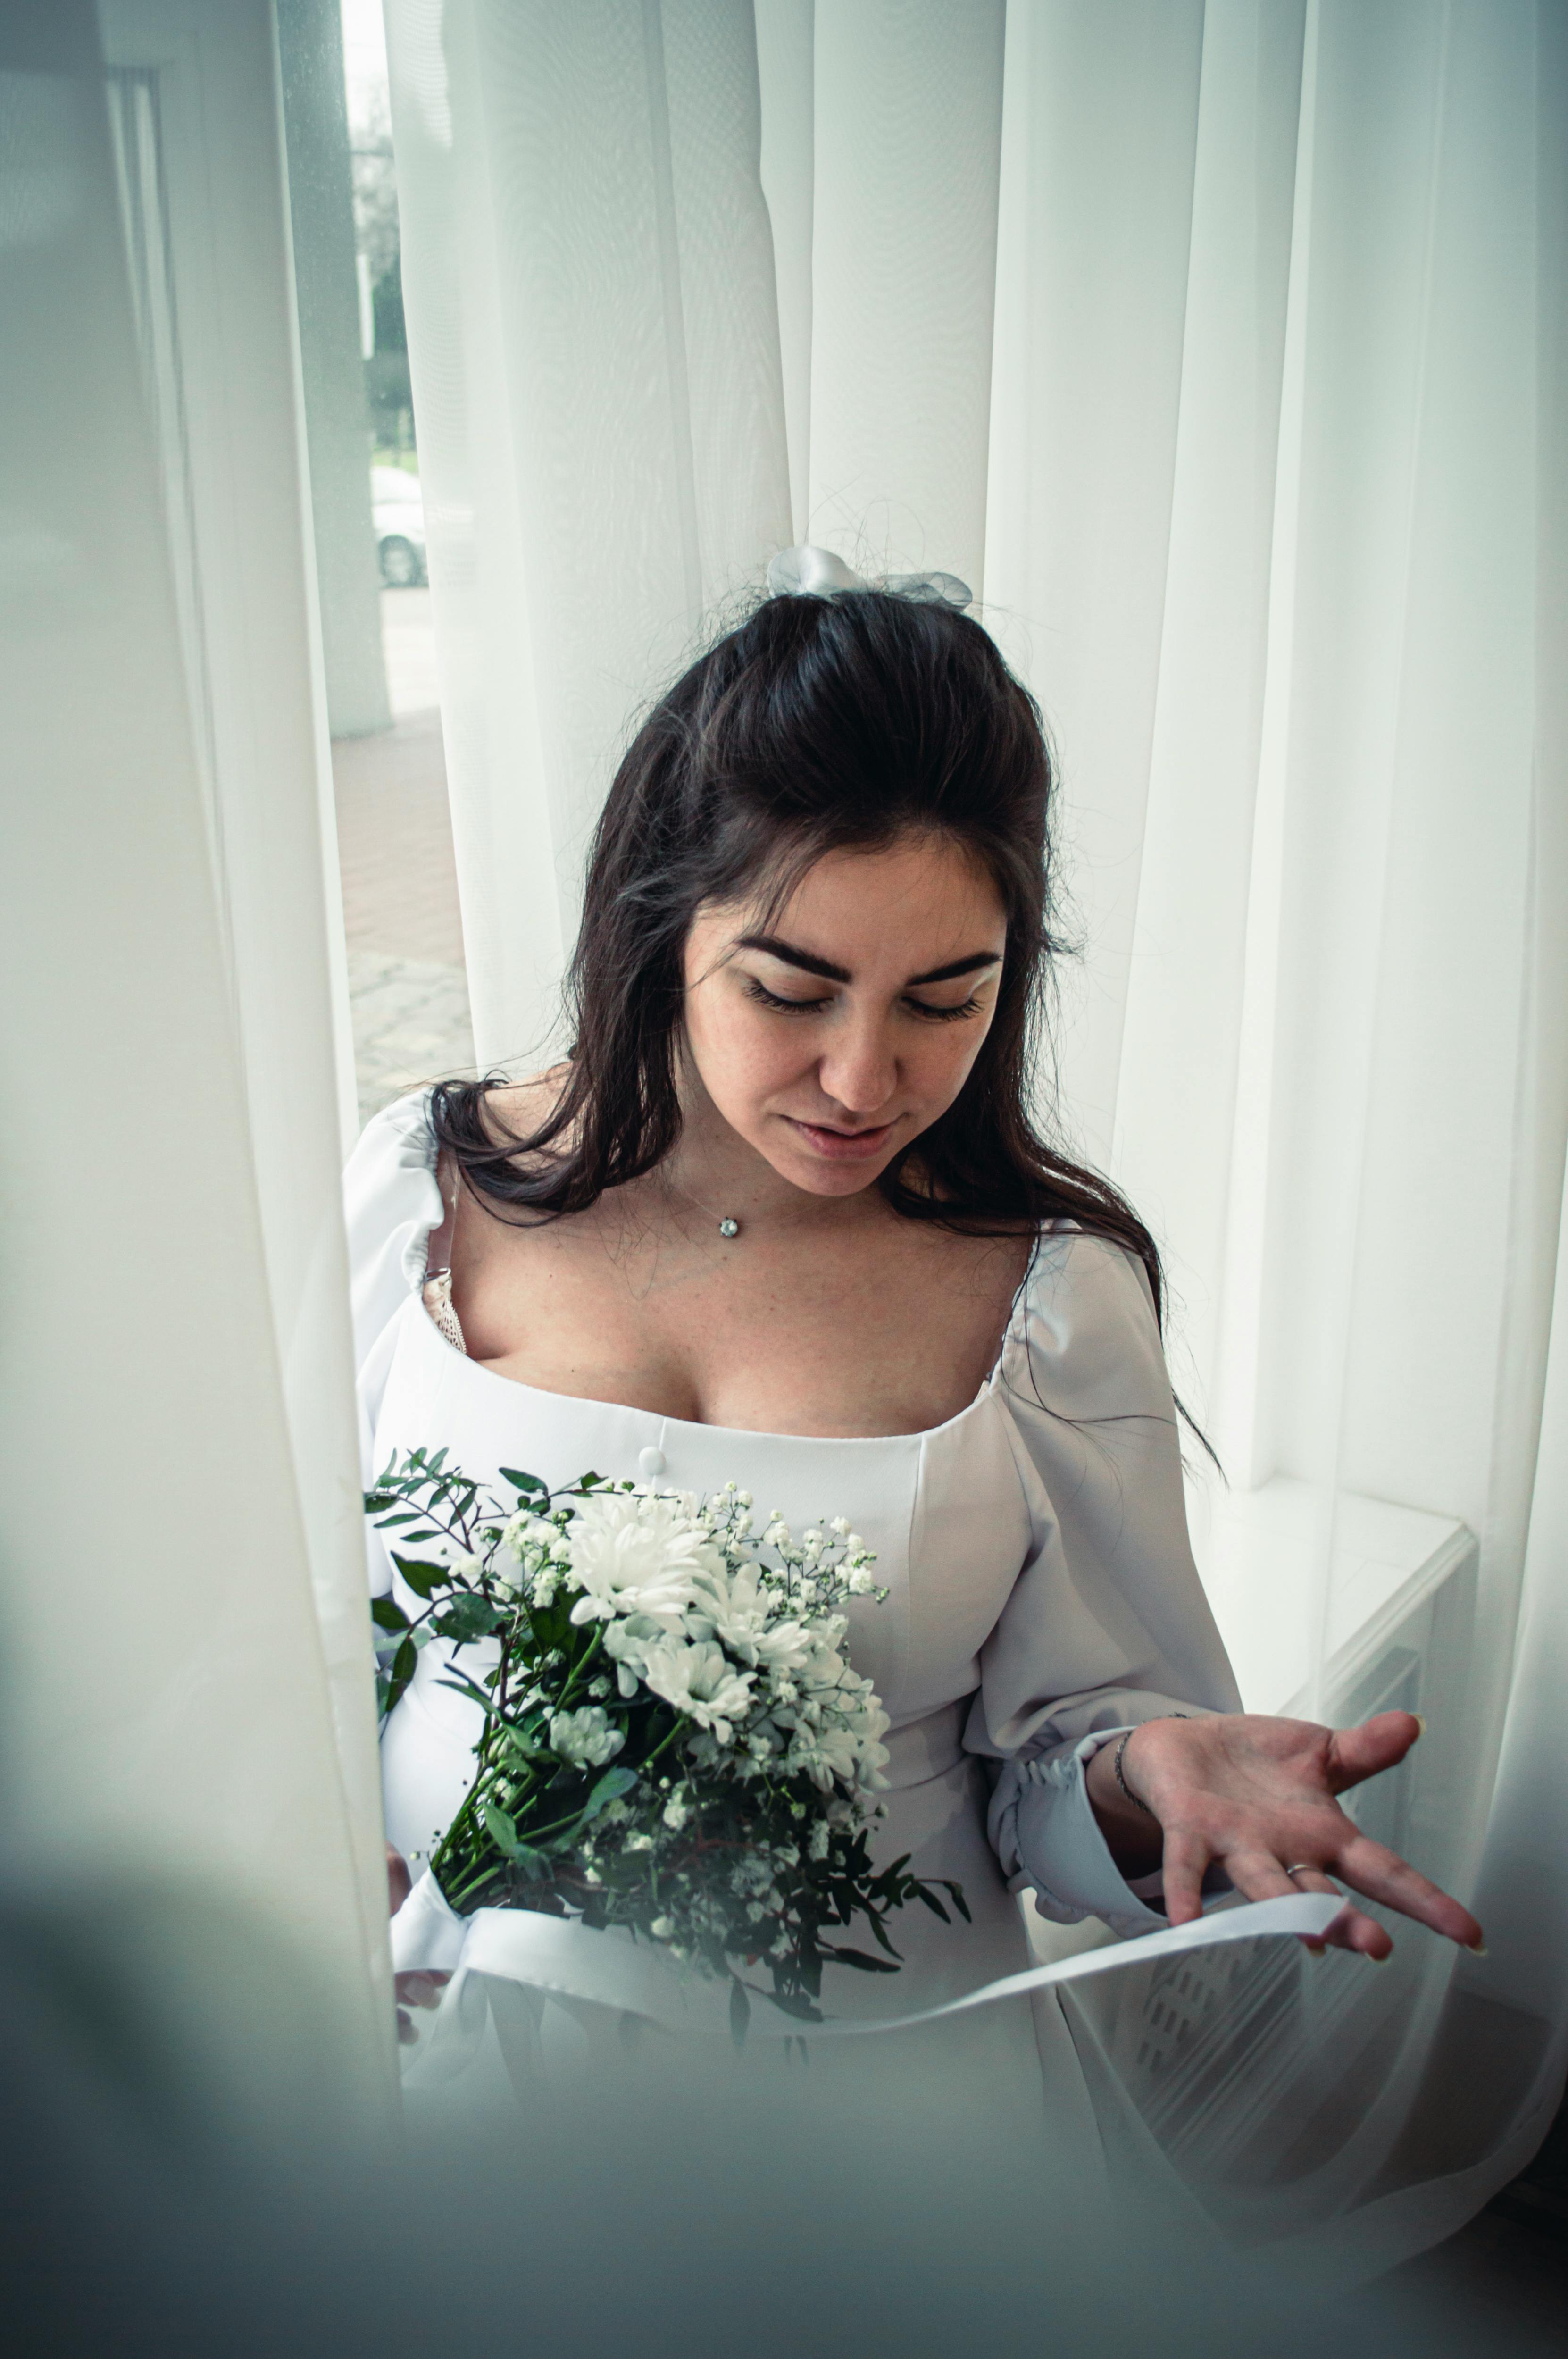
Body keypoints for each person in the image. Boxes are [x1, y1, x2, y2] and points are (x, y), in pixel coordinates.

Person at [346, 555, 1481, 2143]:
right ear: (659, 928)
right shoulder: (422, 1189)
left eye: (947, 999)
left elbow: (1049, 1771)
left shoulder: (1047, 1295)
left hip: (884, 2098)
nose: (862, 1078)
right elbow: (305, 1615)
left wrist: (1141, 1772)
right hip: (450, 2062)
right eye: (790, 990)